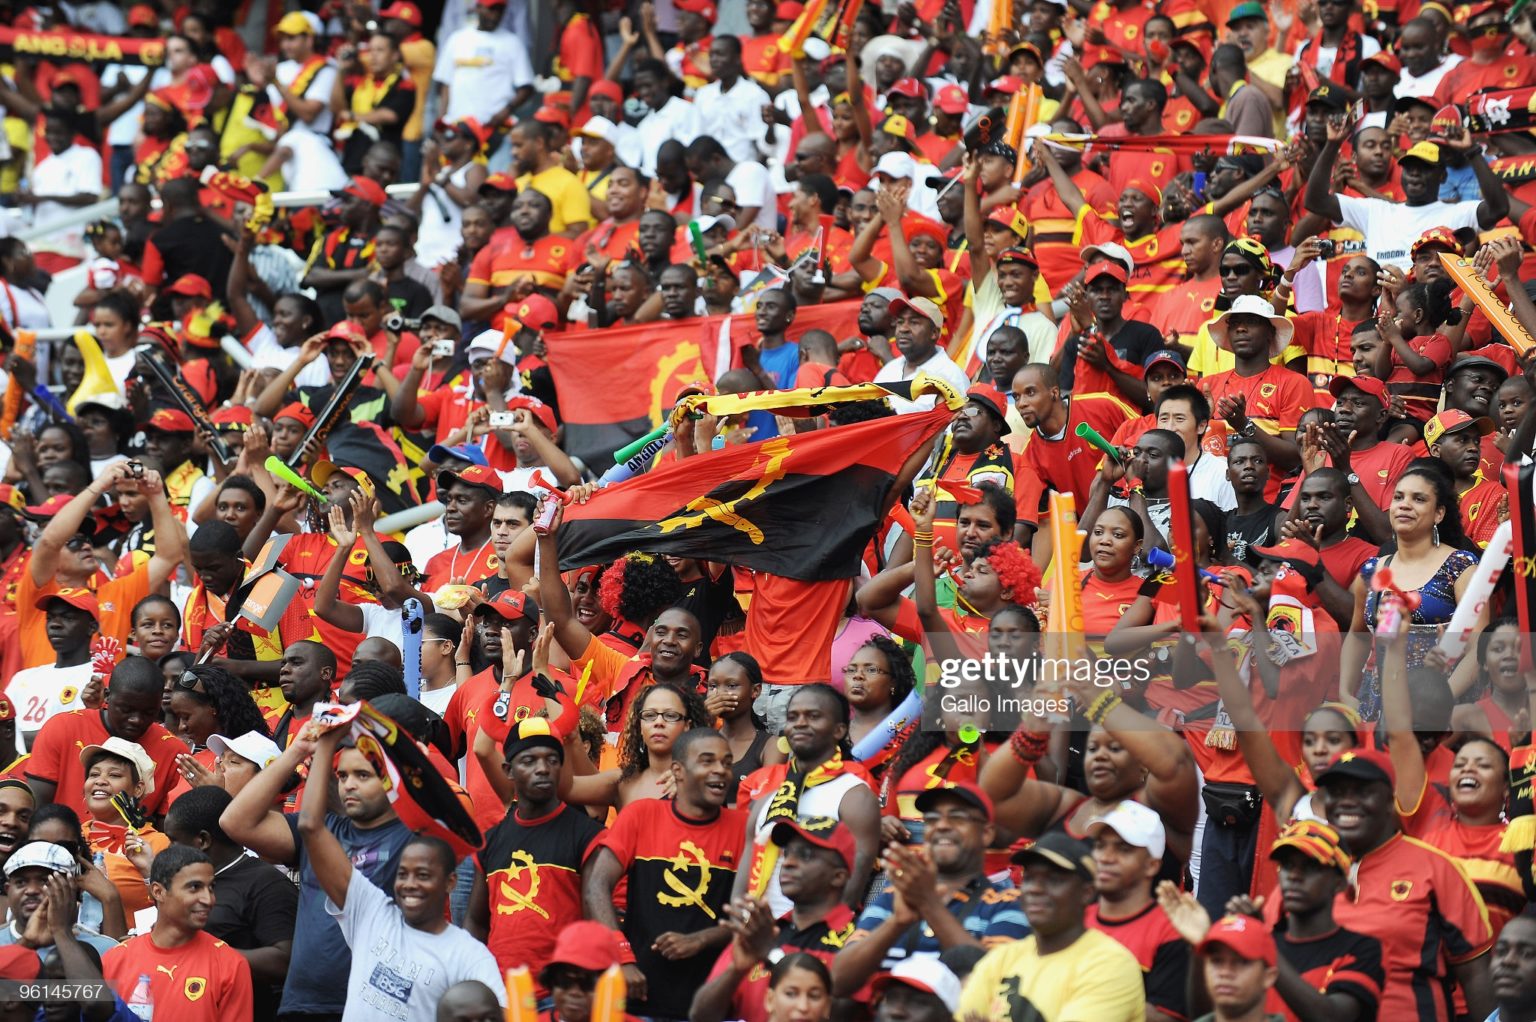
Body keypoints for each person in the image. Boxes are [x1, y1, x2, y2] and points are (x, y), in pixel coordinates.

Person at [296, 722, 504, 1020]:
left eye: (423, 875)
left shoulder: (468, 954)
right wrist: (327, 747)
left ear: (450, 883)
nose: (409, 884)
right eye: (403, 873)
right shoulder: (371, 913)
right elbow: (310, 826)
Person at [219, 708, 411, 1019]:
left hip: (377, 1005)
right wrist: (298, 750)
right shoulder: (325, 830)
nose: (348, 785)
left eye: (363, 775)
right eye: (343, 775)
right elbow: (235, 821)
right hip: (303, 1003)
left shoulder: (411, 837)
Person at [582, 728, 747, 1019]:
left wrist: (701, 939)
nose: (720, 770)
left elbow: (752, 915)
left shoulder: (743, 827)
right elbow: (596, 884)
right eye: (708, 761)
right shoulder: (641, 815)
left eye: (727, 763)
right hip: (641, 995)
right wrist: (623, 958)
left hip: (713, 1003)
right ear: (678, 771)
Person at [831, 782, 1027, 994]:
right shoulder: (894, 897)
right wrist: (897, 922)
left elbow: (996, 986)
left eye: (957, 817)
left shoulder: (1009, 904)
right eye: (932, 819)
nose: (941, 826)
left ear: (986, 834)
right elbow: (838, 982)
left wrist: (929, 905)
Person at [466, 716, 604, 980]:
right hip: (502, 994)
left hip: (560, 996)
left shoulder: (588, 836)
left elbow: (595, 921)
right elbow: (476, 922)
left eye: (552, 760)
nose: (542, 769)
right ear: (508, 770)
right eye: (529, 761)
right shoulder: (491, 841)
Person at [958, 832, 1146, 1020]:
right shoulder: (1003, 958)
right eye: (1029, 878)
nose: (1035, 888)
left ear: (1086, 893)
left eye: (1054, 880)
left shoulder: (1109, 965)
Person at [692, 817, 859, 1022]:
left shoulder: (857, 941)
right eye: (787, 853)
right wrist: (736, 970)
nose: (788, 863)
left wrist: (771, 955)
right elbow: (701, 1016)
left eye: (805, 855)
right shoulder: (763, 932)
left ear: (839, 876)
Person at [163, 785, 296, 1020]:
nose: (169, 850)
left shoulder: (266, 884)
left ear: (202, 840)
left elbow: (284, 961)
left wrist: (205, 954)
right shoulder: (185, 881)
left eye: (174, 841)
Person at [101, 845, 253, 1021]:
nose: (208, 899)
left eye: (211, 888)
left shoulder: (231, 965)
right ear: (158, 892)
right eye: (194, 887)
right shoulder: (114, 960)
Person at [27, 657, 187, 819]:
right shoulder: (62, 727)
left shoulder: (174, 752)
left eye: (148, 712)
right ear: (107, 696)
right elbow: (36, 806)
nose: (136, 719)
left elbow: (167, 827)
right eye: (126, 709)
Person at [1085, 801, 1189, 1021]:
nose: (1105, 857)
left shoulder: (1171, 929)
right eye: (1100, 845)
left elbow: (1167, 1018)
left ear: (1151, 865)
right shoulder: (1074, 919)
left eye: (1123, 849)